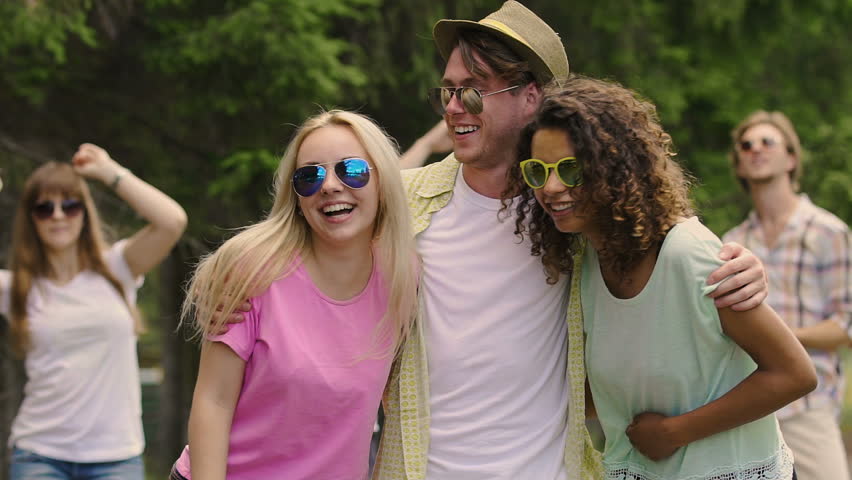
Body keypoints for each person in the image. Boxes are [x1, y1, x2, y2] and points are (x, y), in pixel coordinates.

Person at [220, 3, 770, 479]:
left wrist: (744, 265)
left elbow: (656, 239)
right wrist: (239, 268)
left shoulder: (570, 212)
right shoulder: (401, 204)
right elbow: (309, 237)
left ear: (531, 97)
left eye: (474, 92)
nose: (455, 106)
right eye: (449, 90)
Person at [509, 74, 816, 479]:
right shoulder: (583, 262)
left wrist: (675, 431)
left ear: (615, 169)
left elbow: (794, 374)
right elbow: (606, 392)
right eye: (538, 170)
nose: (550, 187)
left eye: (572, 170)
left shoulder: (688, 254)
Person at [170, 110, 418, 480]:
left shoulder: (402, 276)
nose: (330, 186)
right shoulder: (254, 270)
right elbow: (214, 401)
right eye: (309, 176)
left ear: (382, 180)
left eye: (351, 170)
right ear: (297, 197)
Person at [0, 144, 187, 480]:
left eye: (69, 205)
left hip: (116, 457)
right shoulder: (16, 287)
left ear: (84, 212)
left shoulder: (119, 267)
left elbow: (172, 221)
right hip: (39, 456)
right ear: (31, 219)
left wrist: (108, 170)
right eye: (44, 208)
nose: (58, 215)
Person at [723, 110, 852, 480]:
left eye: (767, 142)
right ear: (740, 166)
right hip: (749, 409)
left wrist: (778, 339)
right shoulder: (732, 242)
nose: (756, 150)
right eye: (746, 145)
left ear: (791, 158)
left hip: (809, 408)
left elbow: (846, 326)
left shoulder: (829, 232)